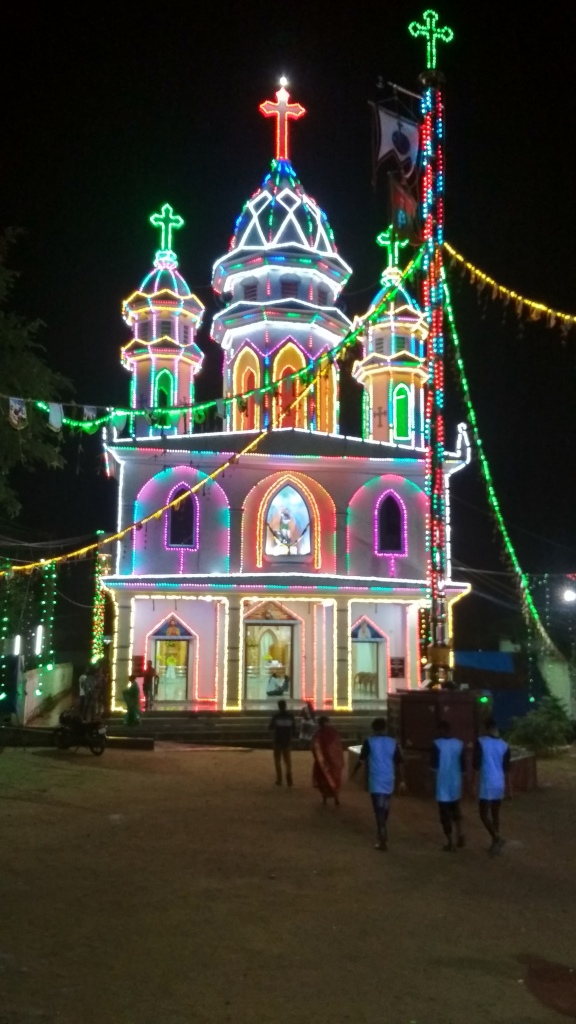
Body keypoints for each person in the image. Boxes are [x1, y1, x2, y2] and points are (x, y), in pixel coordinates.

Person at [351, 717, 405, 851]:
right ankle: (382, 828)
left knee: (378, 808)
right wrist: (403, 780)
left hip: (375, 778)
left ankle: (382, 833)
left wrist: (354, 772)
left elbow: (361, 760)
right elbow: (399, 763)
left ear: (373, 729)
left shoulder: (369, 742)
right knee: (385, 806)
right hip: (389, 778)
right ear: (385, 728)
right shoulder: (393, 743)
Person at [473, 718, 511, 855]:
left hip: (486, 782)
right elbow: (507, 769)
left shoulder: (481, 742)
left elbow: (476, 766)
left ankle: (496, 838)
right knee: (495, 813)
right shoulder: (504, 745)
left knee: (483, 814)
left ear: (486, 728)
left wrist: (473, 784)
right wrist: (509, 789)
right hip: (499, 782)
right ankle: (495, 843)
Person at [430, 720, 467, 852]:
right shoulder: (459, 744)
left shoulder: (436, 745)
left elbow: (434, 768)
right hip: (455, 782)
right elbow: (463, 767)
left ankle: (450, 842)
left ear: (441, 730)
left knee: (445, 814)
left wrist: (433, 784)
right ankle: (461, 833)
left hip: (442, 783)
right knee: (456, 810)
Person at [311, 716, 344, 805]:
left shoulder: (318, 734)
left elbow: (315, 748)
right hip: (332, 761)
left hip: (322, 762)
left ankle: (325, 799)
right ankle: (336, 798)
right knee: (333, 779)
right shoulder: (333, 733)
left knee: (324, 780)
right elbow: (337, 747)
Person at [269, 699, 296, 786]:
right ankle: (289, 778)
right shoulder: (290, 717)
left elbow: (271, 727)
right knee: (287, 761)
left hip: (278, 740)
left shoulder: (276, 717)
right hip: (287, 741)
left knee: (277, 761)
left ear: (279, 706)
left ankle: (279, 779)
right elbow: (294, 729)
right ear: (285, 706)